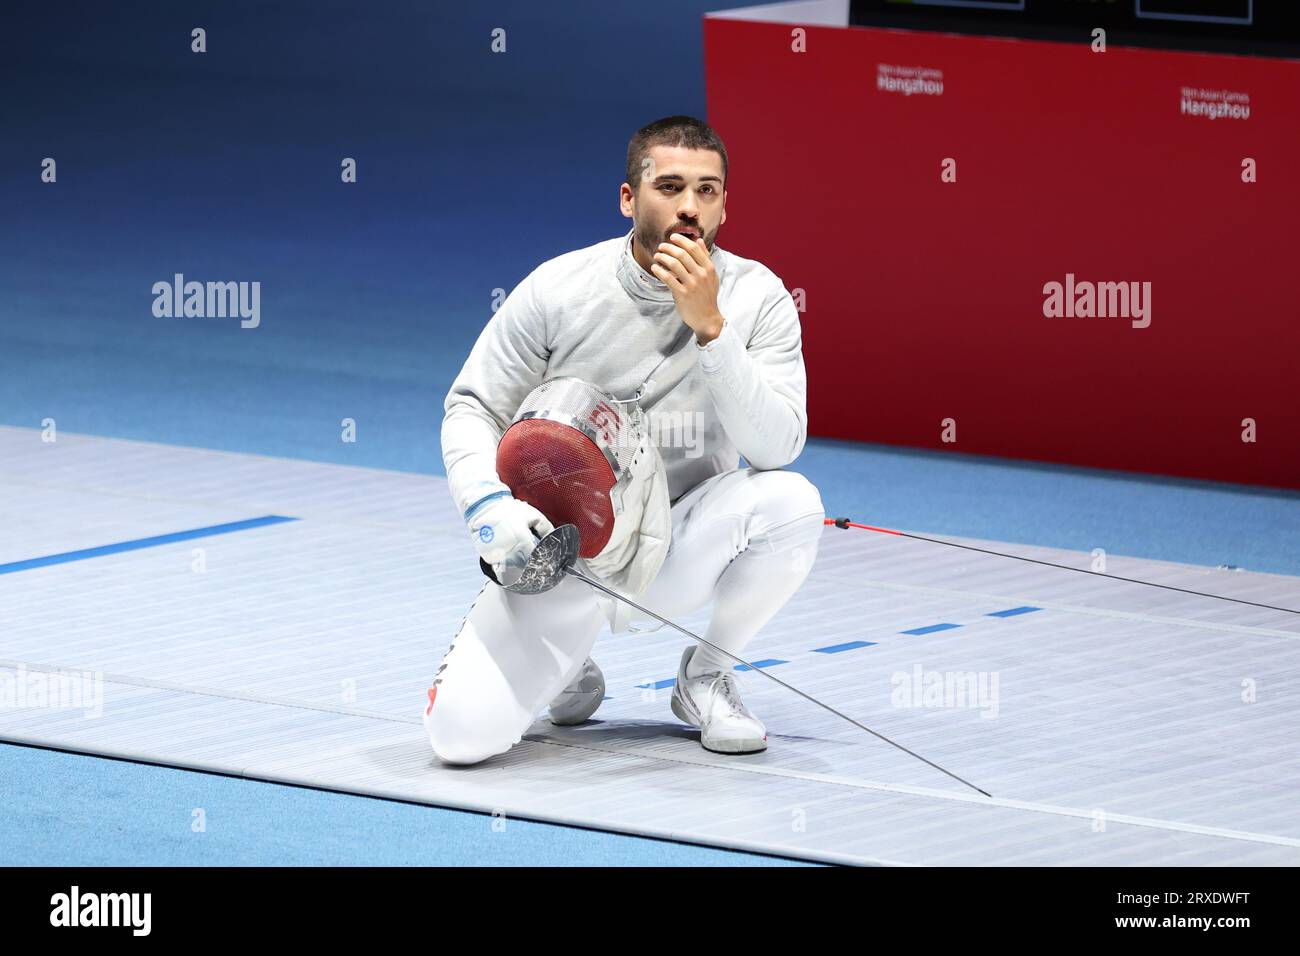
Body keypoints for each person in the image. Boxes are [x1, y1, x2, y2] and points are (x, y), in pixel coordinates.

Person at [424, 115, 824, 765]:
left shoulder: (758, 298)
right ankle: (567, 663)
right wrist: (486, 510)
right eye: (669, 187)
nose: (690, 207)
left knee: (791, 502)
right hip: (569, 556)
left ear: (725, 204)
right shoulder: (559, 289)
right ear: (628, 199)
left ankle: (707, 675)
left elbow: (778, 447)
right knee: (460, 742)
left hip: (681, 545)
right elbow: (472, 407)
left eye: (708, 190)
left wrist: (713, 331)